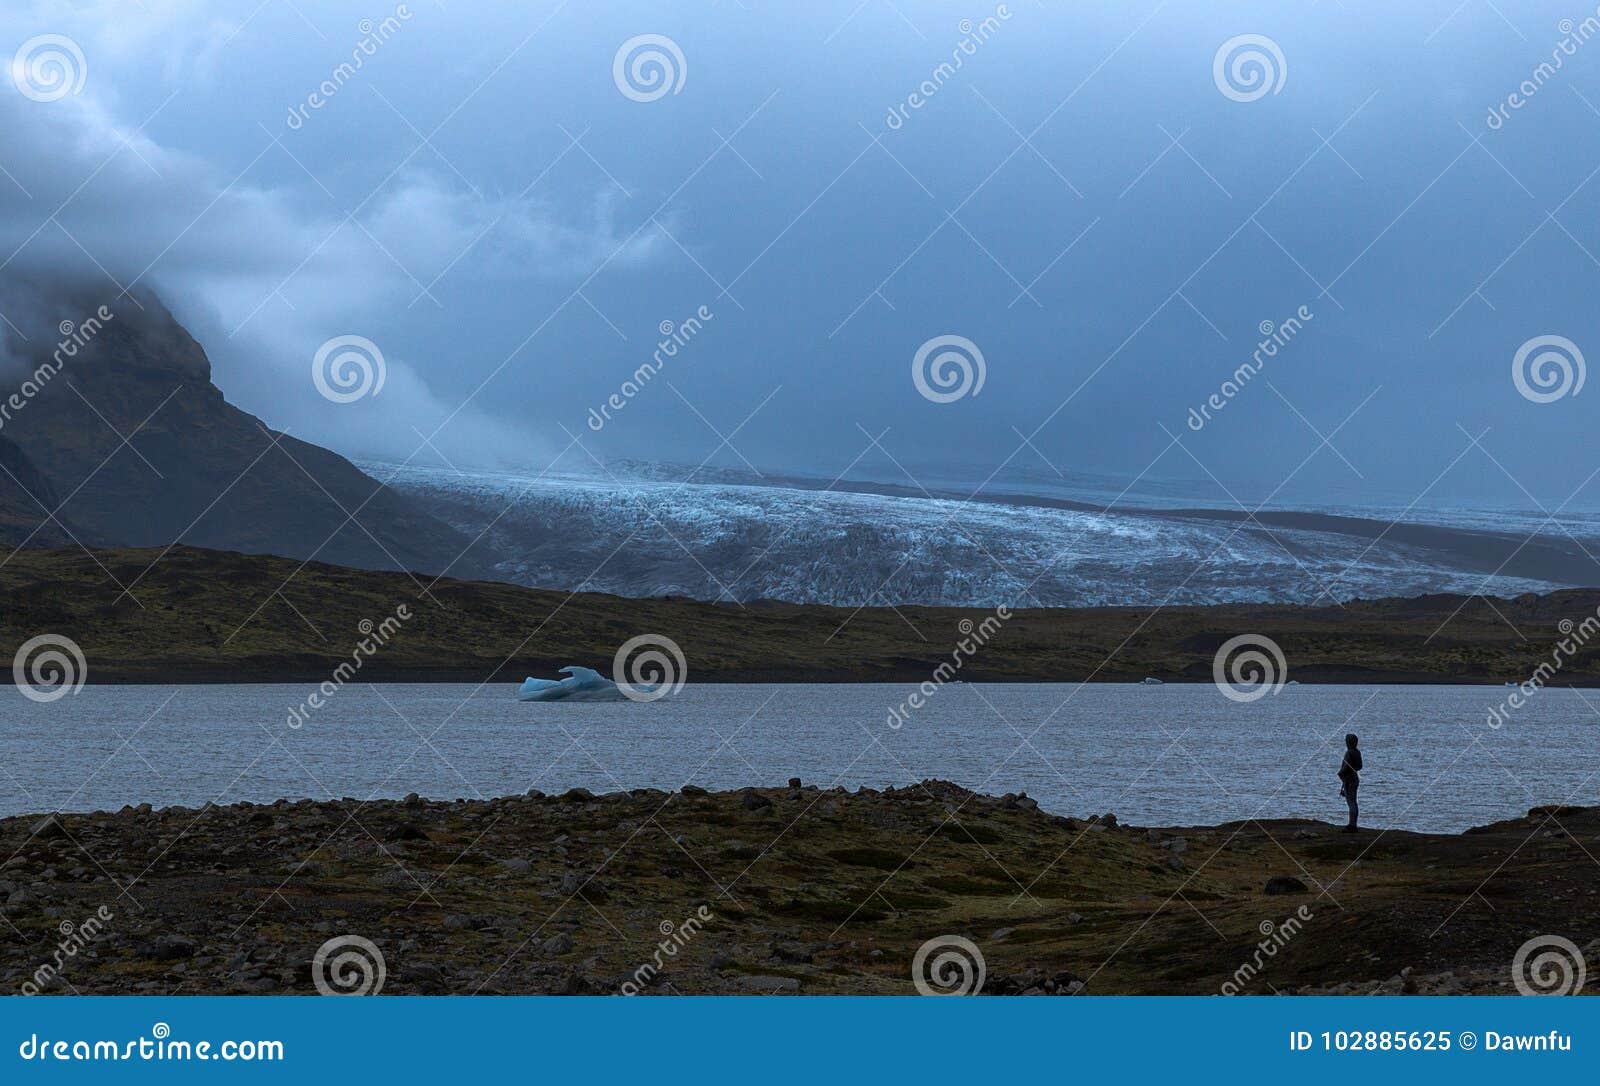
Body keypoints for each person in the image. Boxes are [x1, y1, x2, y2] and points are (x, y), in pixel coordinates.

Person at [1338, 733, 1362, 832]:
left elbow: (1346, 766)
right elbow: (1360, 766)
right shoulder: (1357, 752)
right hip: (1354, 778)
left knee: (1351, 802)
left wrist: (1340, 773)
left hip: (1349, 779)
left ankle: (1352, 825)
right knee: (1353, 802)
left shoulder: (1349, 753)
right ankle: (1353, 824)